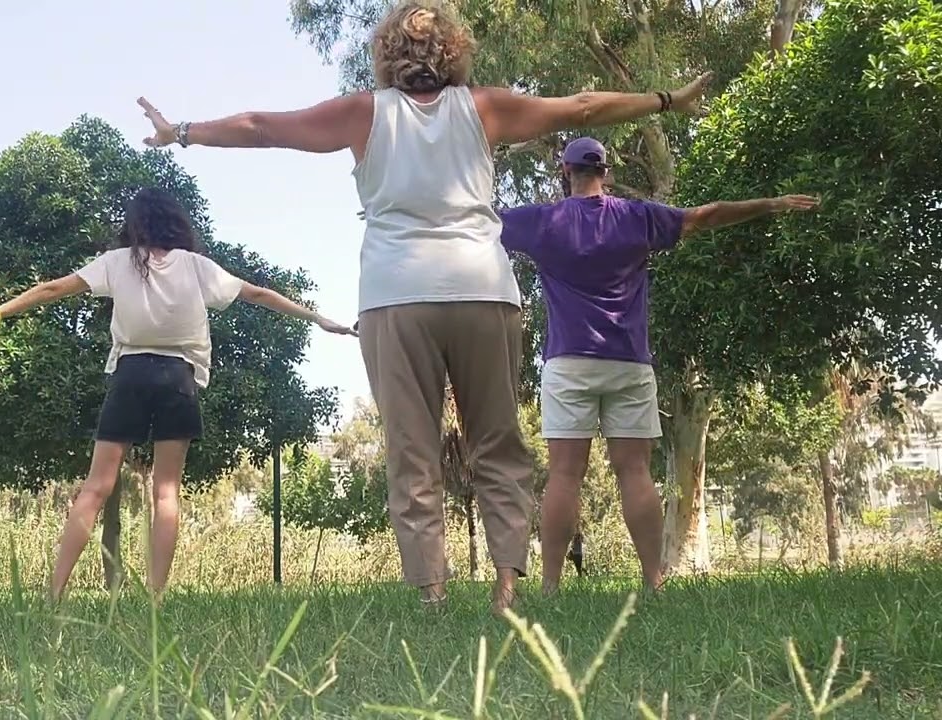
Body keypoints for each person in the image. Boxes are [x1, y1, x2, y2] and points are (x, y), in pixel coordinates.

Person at [132, 0, 713, 614]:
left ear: (385, 55)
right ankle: (507, 589)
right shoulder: (485, 107)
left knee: (413, 447)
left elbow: (261, 126)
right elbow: (584, 107)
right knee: (498, 442)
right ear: (454, 51)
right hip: (483, 292)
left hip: (394, 297)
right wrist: (666, 100)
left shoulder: (363, 113)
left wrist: (184, 133)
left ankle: (432, 595)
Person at [0, 187, 356, 601]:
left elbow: (50, 289)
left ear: (134, 224)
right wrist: (318, 318)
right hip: (179, 377)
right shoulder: (196, 266)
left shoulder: (118, 262)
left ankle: (53, 593)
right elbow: (259, 294)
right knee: (166, 491)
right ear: (177, 223)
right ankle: (156, 597)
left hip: (130, 375)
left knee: (95, 487)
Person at [499, 137, 819, 595]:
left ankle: (550, 587)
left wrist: (405, 217)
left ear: (565, 171)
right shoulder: (637, 217)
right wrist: (770, 203)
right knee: (634, 472)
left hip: (568, 363)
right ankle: (655, 581)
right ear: (605, 172)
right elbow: (706, 215)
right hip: (628, 362)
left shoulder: (541, 221)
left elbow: (472, 223)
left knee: (566, 474)